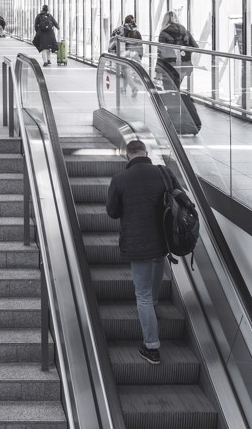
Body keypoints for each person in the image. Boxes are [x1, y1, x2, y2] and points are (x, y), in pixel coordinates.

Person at [106, 139, 180, 365]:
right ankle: (153, 310)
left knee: (143, 295)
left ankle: (151, 346)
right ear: (145, 153)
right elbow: (177, 198)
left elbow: (112, 212)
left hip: (137, 244)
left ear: (127, 155)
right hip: (163, 240)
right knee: (154, 280)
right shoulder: (164, 172)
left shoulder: (120, 179)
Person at [158, 11, 197, 85]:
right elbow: (195, 47)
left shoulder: (163, 33)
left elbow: (161, 53)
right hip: (184, 64)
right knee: (176, 86)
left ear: (165, 20)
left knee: (169, 88)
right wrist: (183, 51)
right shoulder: (185, 32)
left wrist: (158, 70)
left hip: (169, 65)